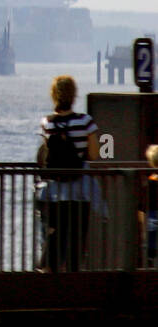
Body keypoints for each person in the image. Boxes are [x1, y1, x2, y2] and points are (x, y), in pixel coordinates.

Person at [34, 75, 99, 273]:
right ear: (74, 95)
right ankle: (72, 283)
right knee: (77, 240)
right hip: (79, 191)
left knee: (54, 236)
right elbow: (94, 156)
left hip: (54, 191)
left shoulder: (47, 123)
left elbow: (43, 156)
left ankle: (49, 279)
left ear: (54, 95)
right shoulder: (86, 122)